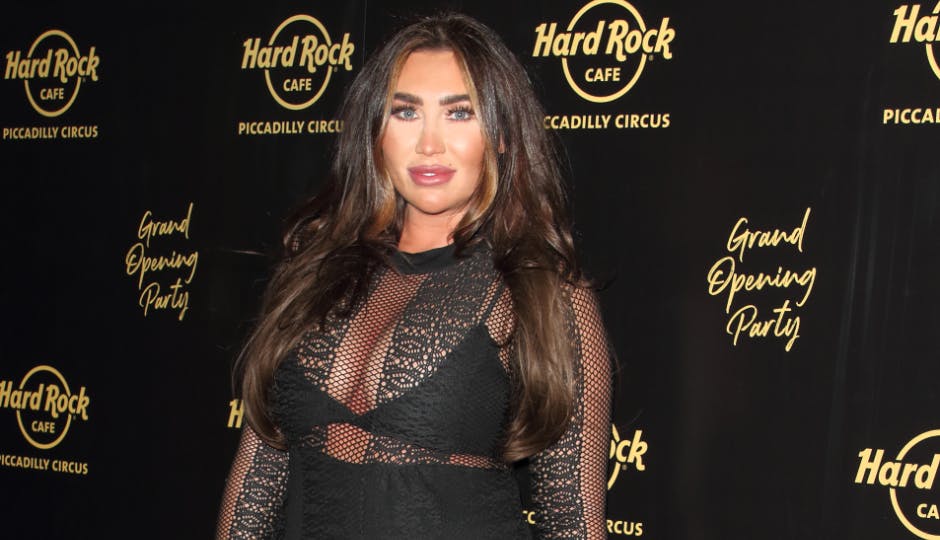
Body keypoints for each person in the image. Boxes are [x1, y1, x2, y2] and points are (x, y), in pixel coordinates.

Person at [217, 12, 612, 540]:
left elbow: (573, 524)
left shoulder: (540, 289)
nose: (429, 144)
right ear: (375, 132)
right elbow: (256, 485)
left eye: (459, 113)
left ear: (500, 135)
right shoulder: (312, 272)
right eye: (405, 112)